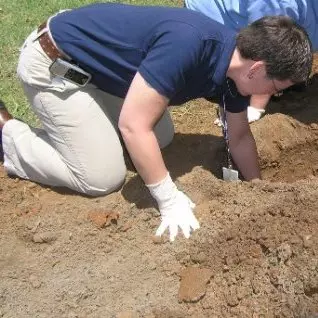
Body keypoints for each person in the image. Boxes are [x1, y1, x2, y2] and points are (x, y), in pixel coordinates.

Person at [0, 3, 312, 241]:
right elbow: (134, 126)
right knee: (101, 177)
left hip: (103, 74)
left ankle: (94, 130)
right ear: (256, 69)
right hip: (56, 63)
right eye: (275, 88)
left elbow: (240, 136)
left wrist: (258, 189)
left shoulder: (235, 71)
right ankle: (8, 134)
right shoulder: (188, 44)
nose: (271, 95)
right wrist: (168, 198)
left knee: (159, 137)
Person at [185, 0, 318, 123]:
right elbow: (269, 48)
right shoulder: (278, 5)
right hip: (217, 25)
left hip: (272, 41)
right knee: (237, 87)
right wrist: (255, 108)